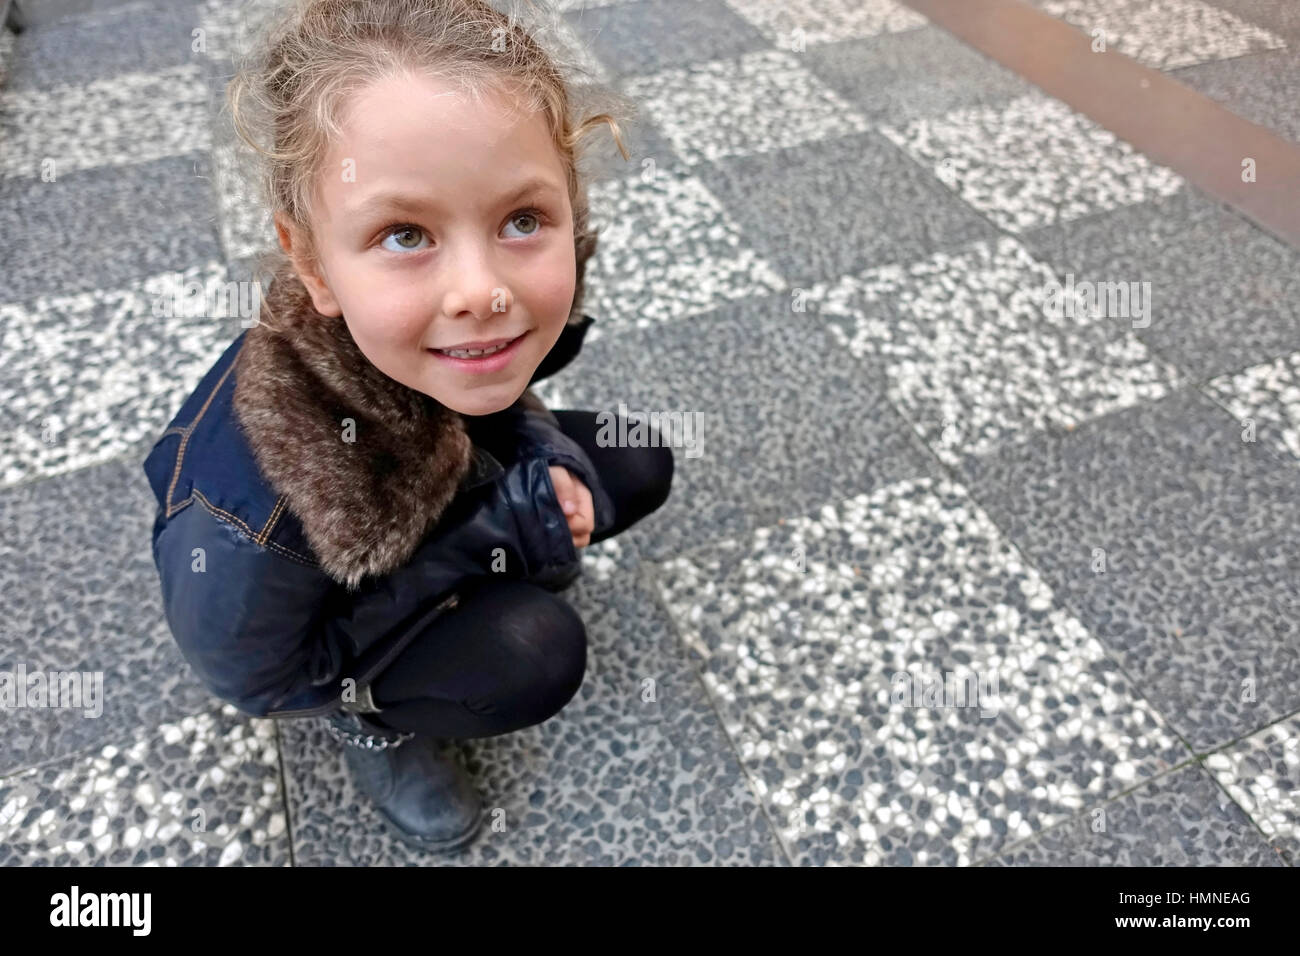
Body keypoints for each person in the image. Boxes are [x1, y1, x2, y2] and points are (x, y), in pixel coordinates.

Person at [141, 0, 672, 855]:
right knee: (533, 652)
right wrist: (515, 531)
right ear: (313, 263)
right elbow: (256, 676)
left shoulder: (428, 333)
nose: (480, 290)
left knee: (634, 457)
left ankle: (497, 560)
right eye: (405, 233)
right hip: (320, 637)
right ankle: (377, 722)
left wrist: (546, 457)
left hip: (437, 491)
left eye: (523, 220)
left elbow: (501, 408)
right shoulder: (254, 516)